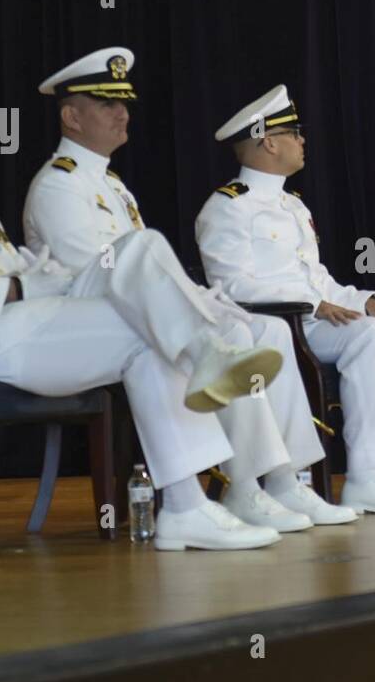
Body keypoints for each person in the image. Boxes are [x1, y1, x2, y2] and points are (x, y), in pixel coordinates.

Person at [0, 69, 283, 550]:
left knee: (144, 285)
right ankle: (203, 366)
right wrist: (17, 288)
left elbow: (23, 274)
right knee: (143, 287)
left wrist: (43, 279)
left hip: (21, 327)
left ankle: (185, 503)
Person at [24, 48, 355, 530]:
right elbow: (89, 279)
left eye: (124, 104)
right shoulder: (58, 185)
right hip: (89, 327)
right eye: (106, 105)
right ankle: (226, 490)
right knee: (215, 329)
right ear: (71, 116)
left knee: (264, 330)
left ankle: (277, 482)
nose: (123, 114)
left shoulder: (113, 185)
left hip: (133, 317)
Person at [195, 85, 375, 514]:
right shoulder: (227, 208)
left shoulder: (294, 206)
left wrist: (366, 301)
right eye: (295, 132)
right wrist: (312, 304)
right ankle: (366, 474)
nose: (303, 141)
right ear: (268, 140)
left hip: (316, 321)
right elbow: (231, 287)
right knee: (368, 337)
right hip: (276, 327)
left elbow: (318, 279)